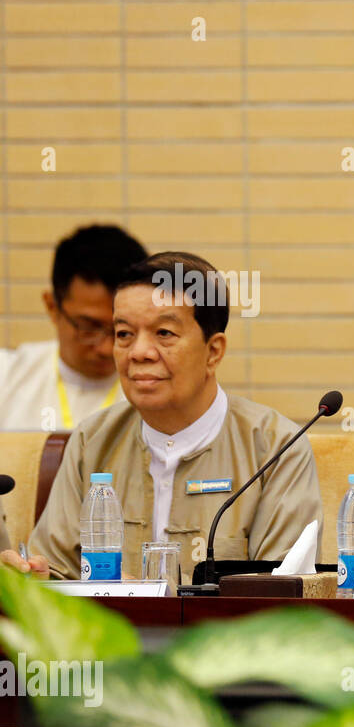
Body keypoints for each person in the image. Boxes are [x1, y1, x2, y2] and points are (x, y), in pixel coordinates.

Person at [0, 252, 322, 583]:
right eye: (124, 334)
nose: (139, 352)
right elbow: (56, 572)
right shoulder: (91, 441)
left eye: (164, 333)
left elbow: (280, 596)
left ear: (213, 351)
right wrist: (32, 578)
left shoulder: (275, 448)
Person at [0, 224, 148, 431]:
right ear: (52, 307)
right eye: (89, 327)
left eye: (123, 331)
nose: (107, 349)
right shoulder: (7, 378)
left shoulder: (164, 390)